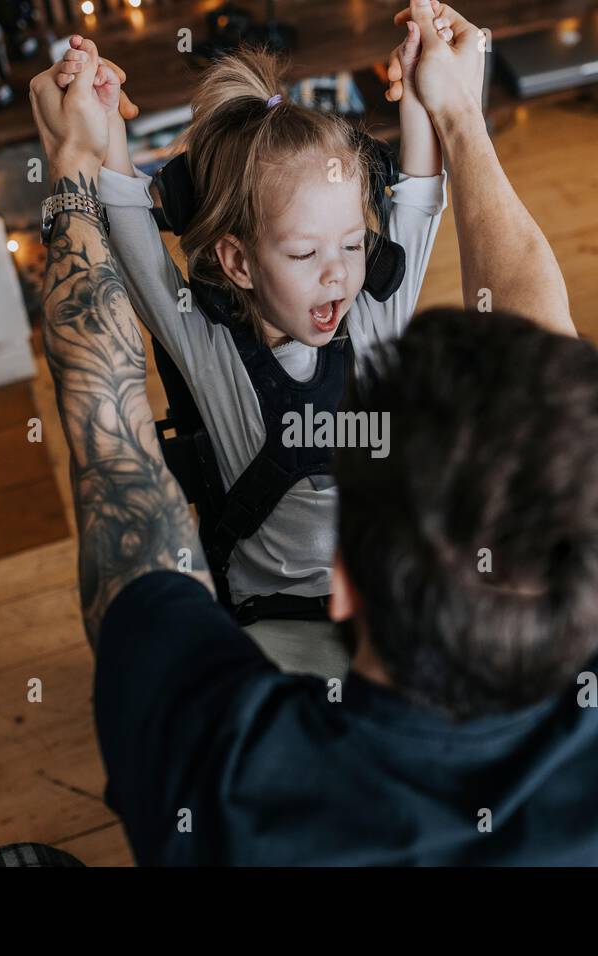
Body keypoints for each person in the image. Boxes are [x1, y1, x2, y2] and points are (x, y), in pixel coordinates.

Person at [29, 0, 598, 864]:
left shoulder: (233, 778)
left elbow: (109, 446)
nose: (339, 277)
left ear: (346, 590)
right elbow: (541, 342)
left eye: (350, 249)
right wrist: (455, 110)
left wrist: (73, 167)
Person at [46, 24, 446, 675]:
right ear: (237, 261)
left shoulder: (373, 317)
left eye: (351, 243)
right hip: (278, 630)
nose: (338, 274)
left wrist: (426, 92)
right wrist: (103, 119)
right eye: (304, 253)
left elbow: (420, 198)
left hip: (391, 605)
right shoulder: (209, 348)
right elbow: (134, 241)